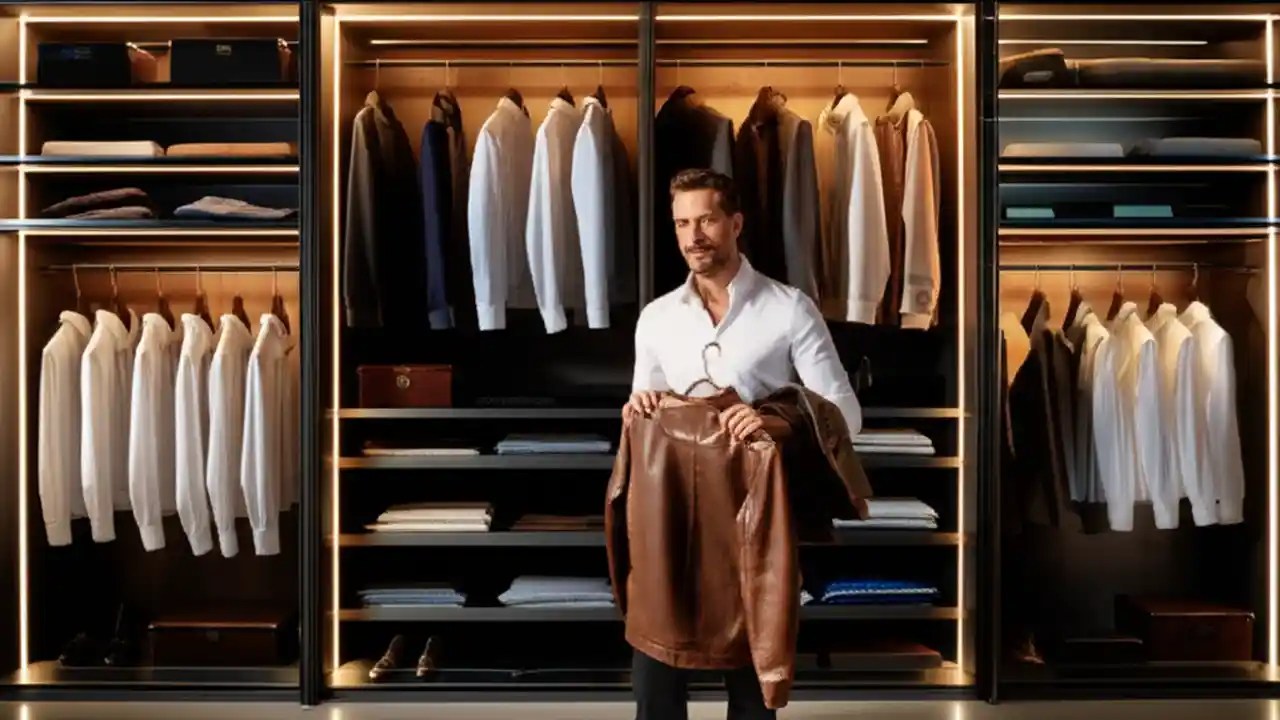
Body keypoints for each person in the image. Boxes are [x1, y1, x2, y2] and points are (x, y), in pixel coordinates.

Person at [623, 168, 863, 719]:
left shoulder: (789, 309)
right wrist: (638, 408)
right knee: (656, 678)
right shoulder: (655, 319)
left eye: (706, 219)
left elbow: (845, 414)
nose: (693, 236)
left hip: (755, 515)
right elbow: (646, 404)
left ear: (735, 222)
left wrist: (776, 423)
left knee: (753, 687)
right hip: (672, 516)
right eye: (682, 223)